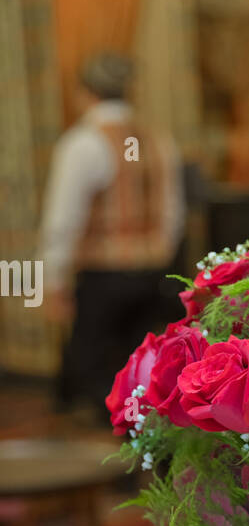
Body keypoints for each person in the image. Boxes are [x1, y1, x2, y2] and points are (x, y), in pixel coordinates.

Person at [39, 51, 184, 420]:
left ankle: (104, 447)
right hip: (153, 271)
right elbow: (173, 213)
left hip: (103, 274)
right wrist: (156, 253)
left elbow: (63, 219)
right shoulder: (158, 139)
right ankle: (139, 441)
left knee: (94, 363)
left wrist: (52, 278)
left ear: (85, 92)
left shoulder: (82, 143)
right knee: (138, 361)